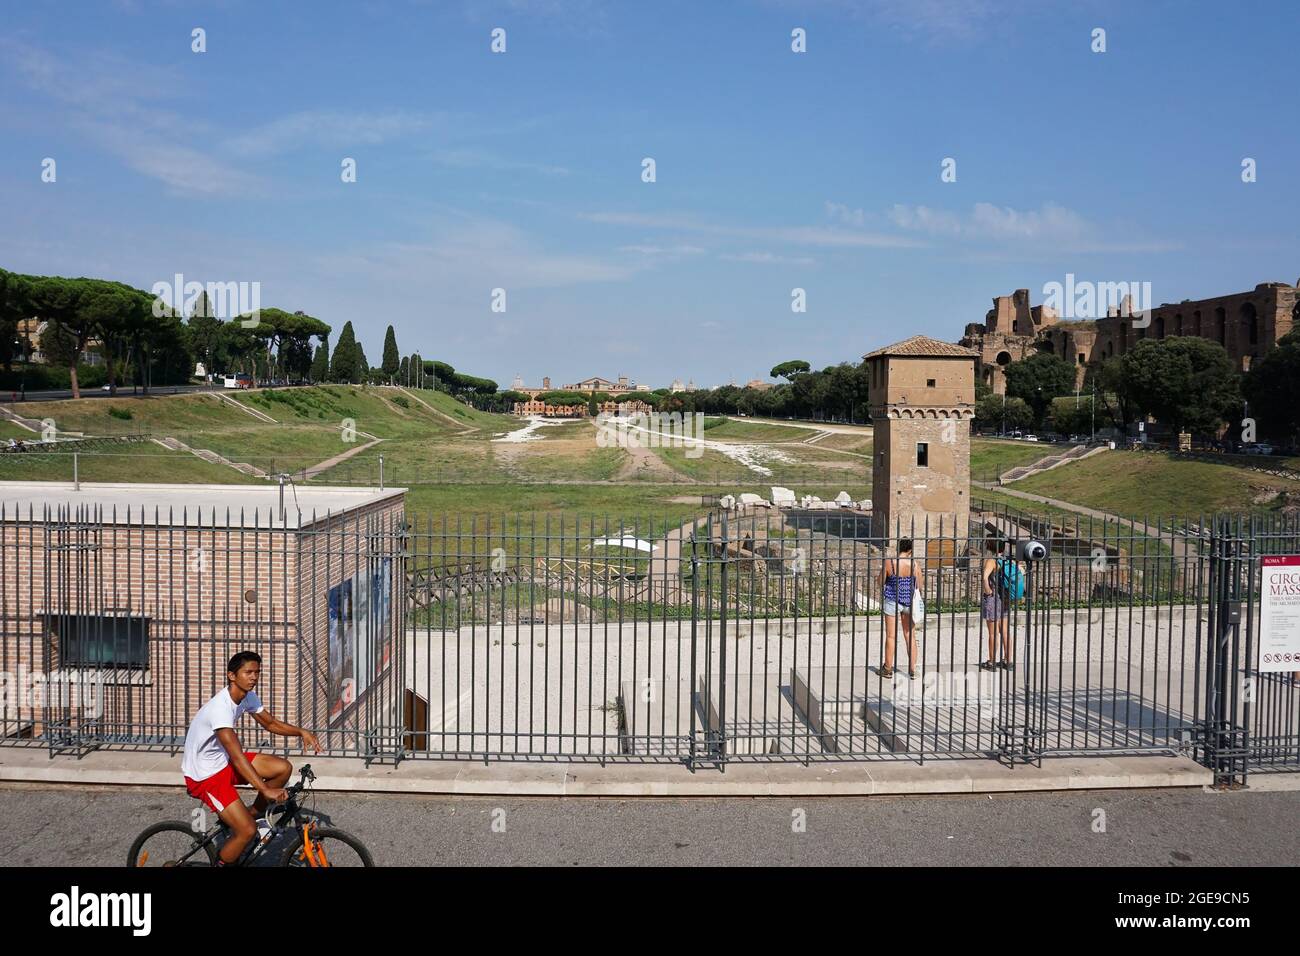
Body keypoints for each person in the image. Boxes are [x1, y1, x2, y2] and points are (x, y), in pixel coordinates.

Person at [181, 651, 320, 866]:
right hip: (205, 775)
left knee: (282, 768)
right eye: (248, 672)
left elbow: (270, 724)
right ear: (232, 675)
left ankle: (253, 814)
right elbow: (237, 756)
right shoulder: (220, 708)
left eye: (257, 672)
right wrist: (265, 790)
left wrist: (301, 731)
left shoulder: (247, 696)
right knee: (246, 831)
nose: (254, 677)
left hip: (222, 760)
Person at [879, 538, 920, 679]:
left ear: (899, 548)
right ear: (910, 550)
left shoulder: (890, 562)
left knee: (891, 636)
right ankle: (912, 669)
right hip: (908, 601)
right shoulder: (914, 564)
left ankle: (888, 668)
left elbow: (880, 582)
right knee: (910, 636)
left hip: (892, 600)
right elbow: (919, 585)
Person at [980, 539, 1016, 671]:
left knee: (993, 633)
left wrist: (988, 592)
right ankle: (1008, 661)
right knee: (1005, 631)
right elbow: (1021, 572)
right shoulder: (1008, 560)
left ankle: (992, 662)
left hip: (994, 598)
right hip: (1005, 597)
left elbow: (985, 577)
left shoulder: (991, 561)